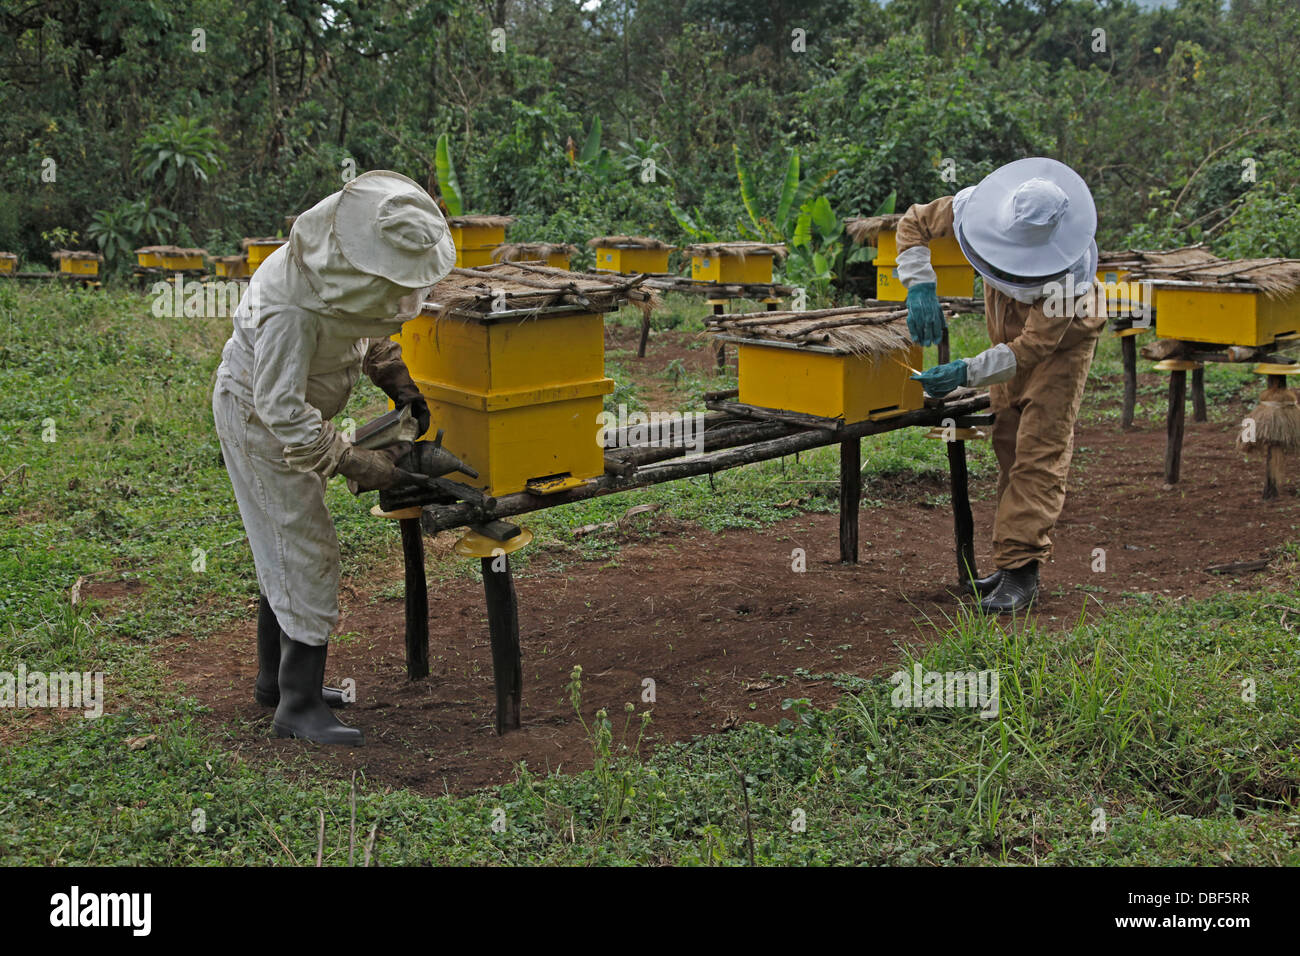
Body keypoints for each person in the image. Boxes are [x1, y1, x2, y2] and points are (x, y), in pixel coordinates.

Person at [212, 170, 455, 744]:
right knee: (304, 547)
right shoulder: (289, 308)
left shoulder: (341, 270)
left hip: (282, 414)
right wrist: (352, 460)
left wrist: (397, 380)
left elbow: (364, 324)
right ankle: (297, 707)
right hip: (260, 421)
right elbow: (281, 411)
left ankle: (276, 683)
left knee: (283, 544)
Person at [899, 157, 1107, 613]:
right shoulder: (975, 205)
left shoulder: (1070, 275)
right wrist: (920, 284)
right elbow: (913, 221)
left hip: (1060, 345)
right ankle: (1012, 559)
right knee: (1008, 441)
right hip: (1007, 333)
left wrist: (963, 373)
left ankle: (1023, 571)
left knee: (1039, 451)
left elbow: (1032, 348)